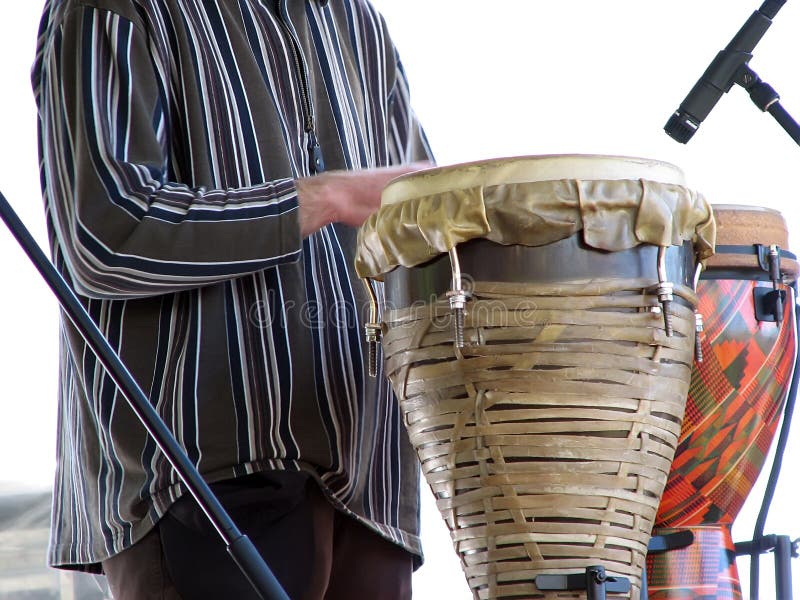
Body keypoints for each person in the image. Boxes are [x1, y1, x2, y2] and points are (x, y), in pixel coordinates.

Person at [32, 0, 432, 598]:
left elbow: (422, 219)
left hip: (371, 482)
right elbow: (107, 236)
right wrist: (319, 199)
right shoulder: (111, 9)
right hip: (202, 478)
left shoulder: (357, 19)